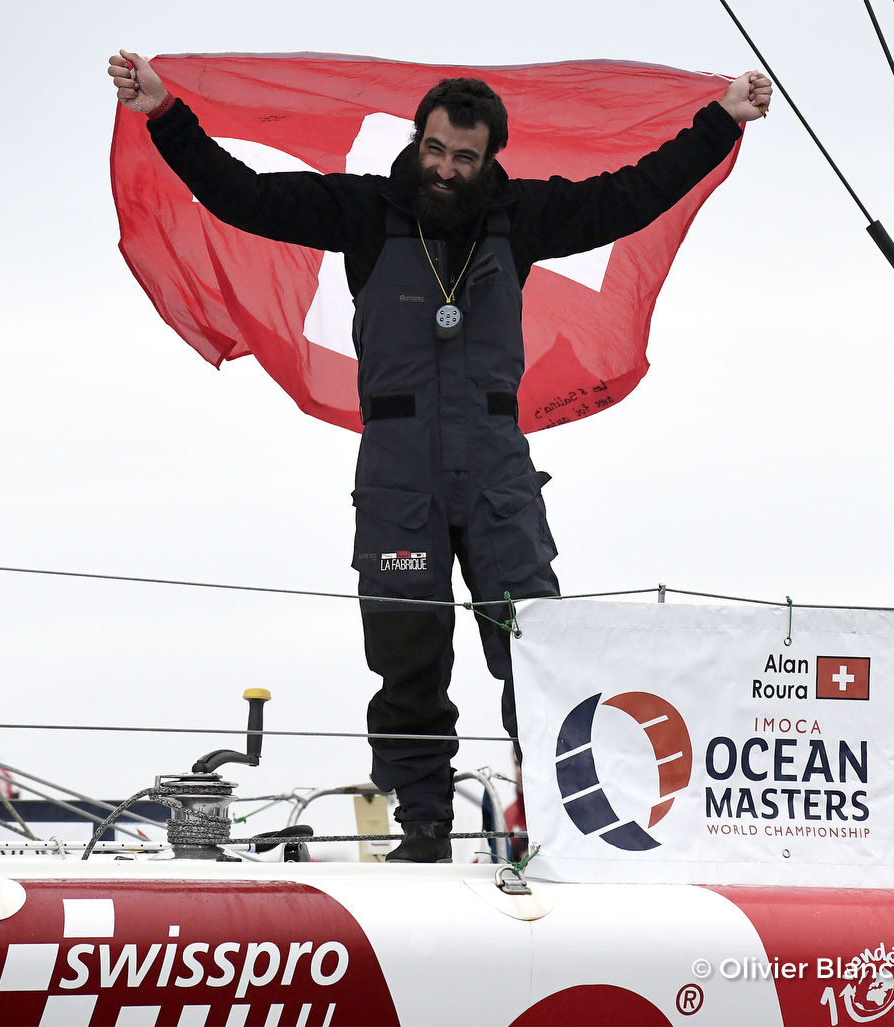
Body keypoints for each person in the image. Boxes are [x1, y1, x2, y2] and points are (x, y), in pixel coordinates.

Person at [108, 50, 770, 862]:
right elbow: (242, 195)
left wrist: (720, 121)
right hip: (398, 470)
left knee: (533, 646)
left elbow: (630, 195)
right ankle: (423, 829)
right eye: (435, 149)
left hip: (495, 467)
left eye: (464, 156)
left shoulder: (519, 217)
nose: (446, 168)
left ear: (490, 157)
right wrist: (166, 114)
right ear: (417, 140)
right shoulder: (363, 209)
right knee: (407, 656)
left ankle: (560, 824)